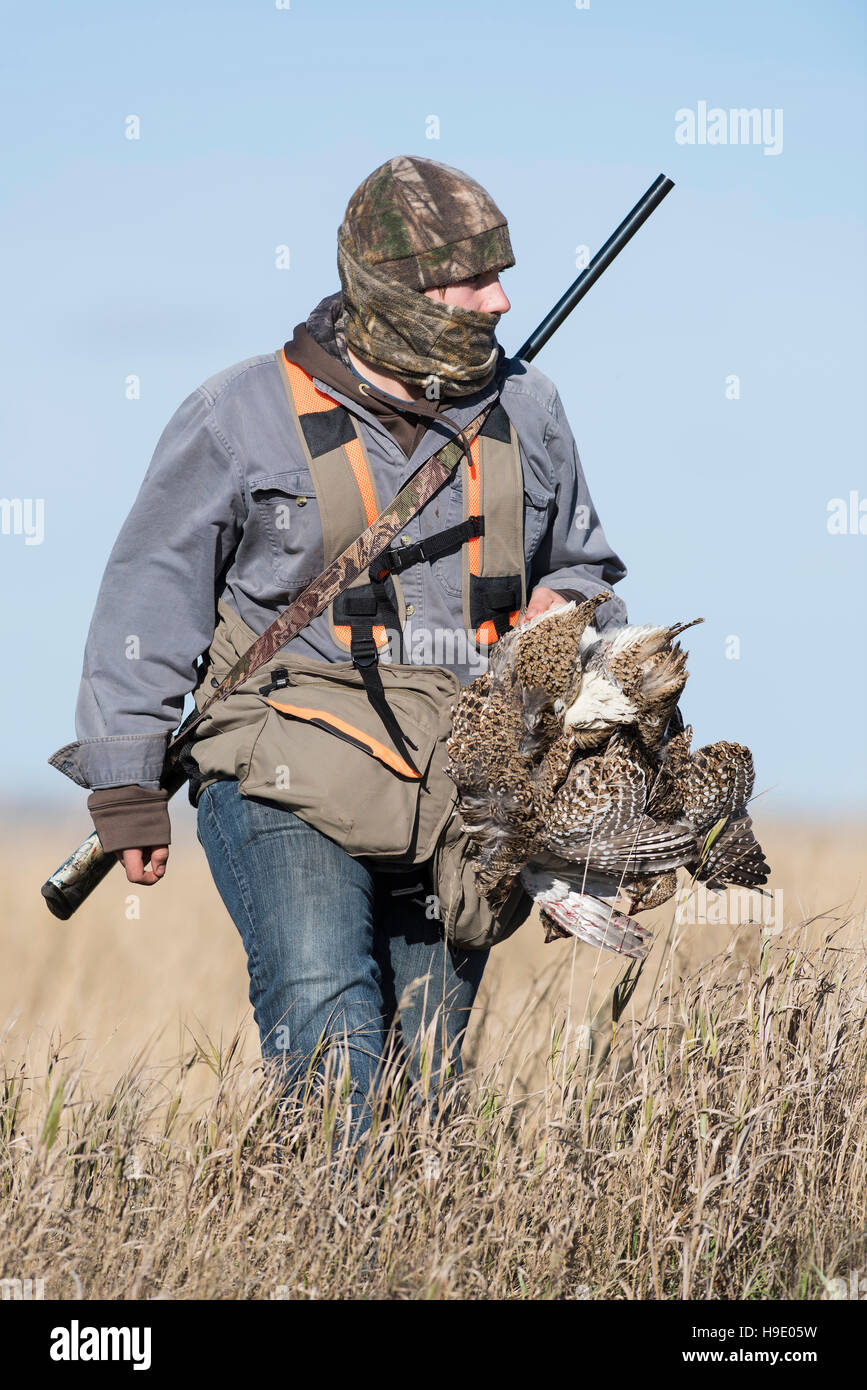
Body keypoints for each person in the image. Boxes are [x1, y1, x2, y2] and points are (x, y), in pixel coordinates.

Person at [50, 155, 627, 1134]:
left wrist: (562, 618)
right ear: (394, 290)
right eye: (471, 279)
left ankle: (381, 1256)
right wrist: (127, 781)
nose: (502, 298)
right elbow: (150, 594)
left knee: (426, 1075)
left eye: (501, 273)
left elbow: (586, 570)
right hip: (282, 765)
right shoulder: (239, 413)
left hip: (466, 787)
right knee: (334, 1038)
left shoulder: (532, 411)